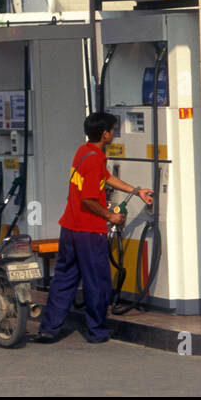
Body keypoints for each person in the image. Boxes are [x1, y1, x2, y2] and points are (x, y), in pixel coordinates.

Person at [34, 112, 155, 345]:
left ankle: (48, 329)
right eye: (113, 130)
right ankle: (97, 331)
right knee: (98, 282)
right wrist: (112, 216)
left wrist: (136, 191)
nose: (114, 134)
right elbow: (89, 199)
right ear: (105, 133)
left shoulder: (84, 152)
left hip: (69, 228)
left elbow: (105, 178)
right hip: (89, 231)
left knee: (64, 279)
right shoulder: (94, 159)